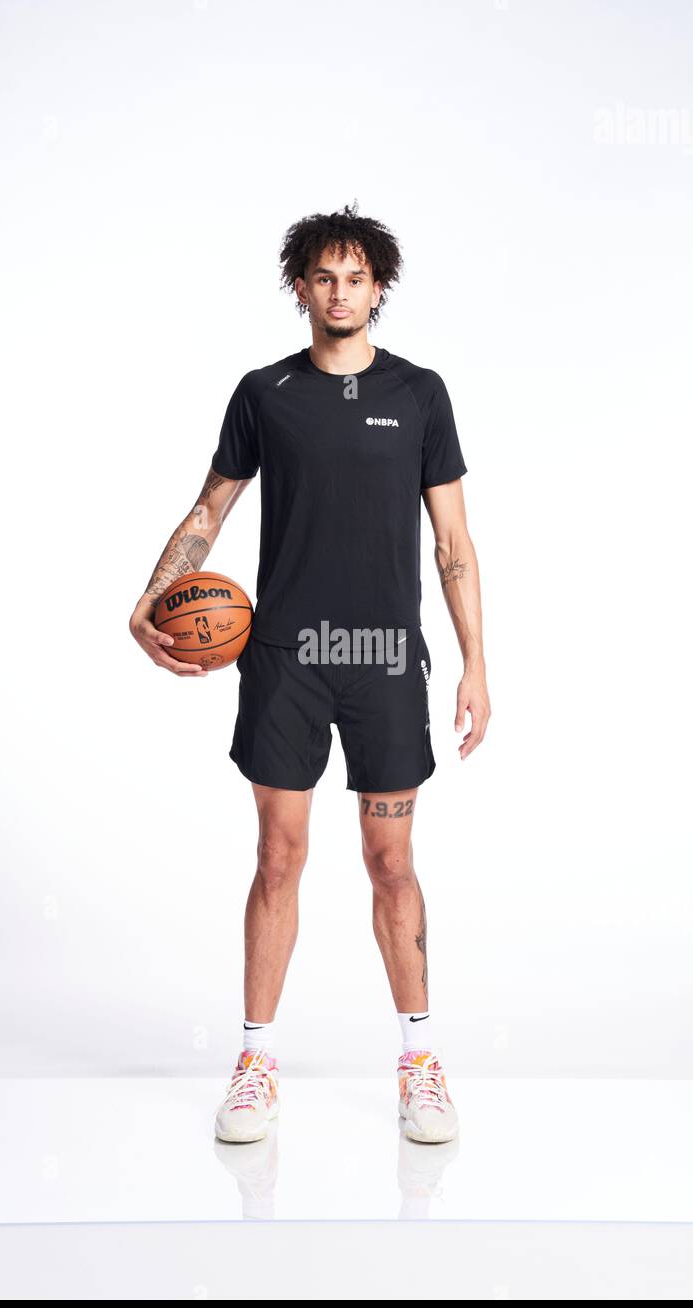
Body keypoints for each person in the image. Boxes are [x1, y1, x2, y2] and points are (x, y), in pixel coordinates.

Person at [129, 203, 490, 1144]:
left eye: (356, 278)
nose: (340, 293)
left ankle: (418, 1062)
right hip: (284, 659)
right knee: (279, 856)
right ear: (300, 288)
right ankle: (253, 1062)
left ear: (379, 289)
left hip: (384, 664)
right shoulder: (265, 393)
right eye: (323, 278)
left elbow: (453, 541)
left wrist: (475, 663)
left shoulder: (421, 393)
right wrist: (151, 595)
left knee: (392, 862)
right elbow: (210, 511)